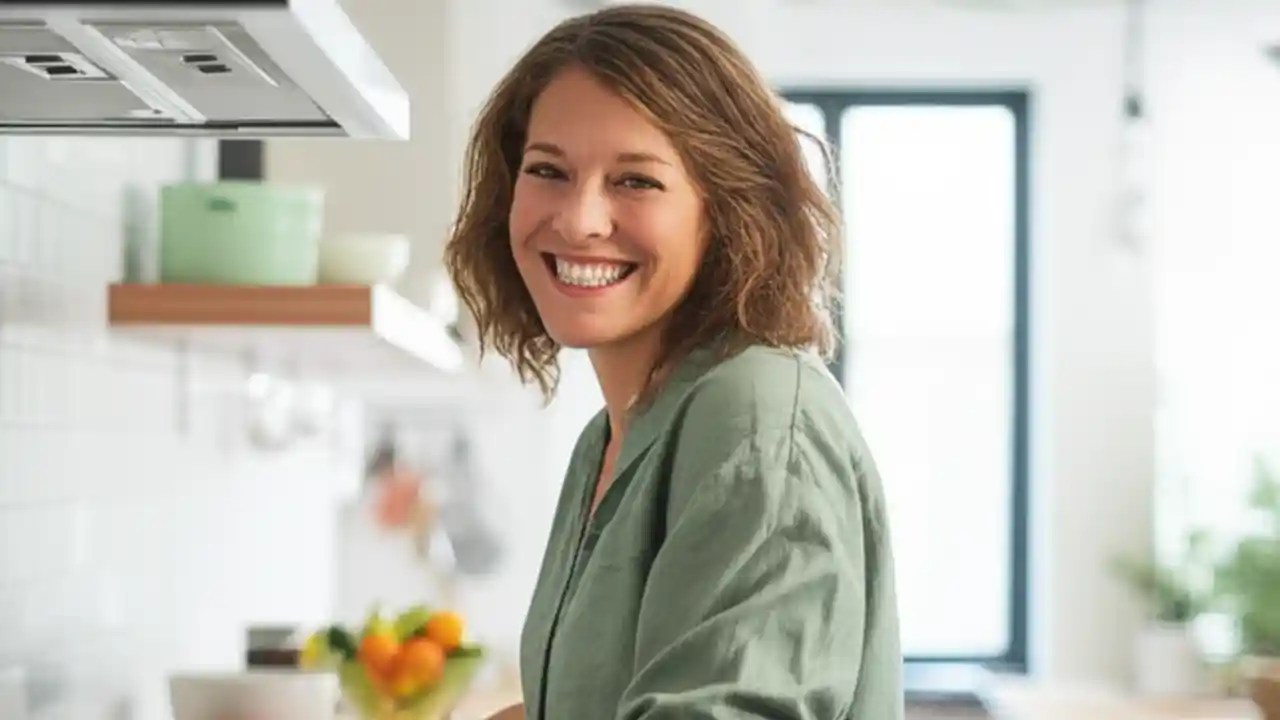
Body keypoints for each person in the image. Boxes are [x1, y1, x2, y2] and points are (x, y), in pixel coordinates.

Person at [444, 4, 903, 719]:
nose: (578, 220)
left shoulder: (754, 420)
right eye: (547, 171)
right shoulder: (609, 440)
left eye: (636, 181)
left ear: (726, 208)